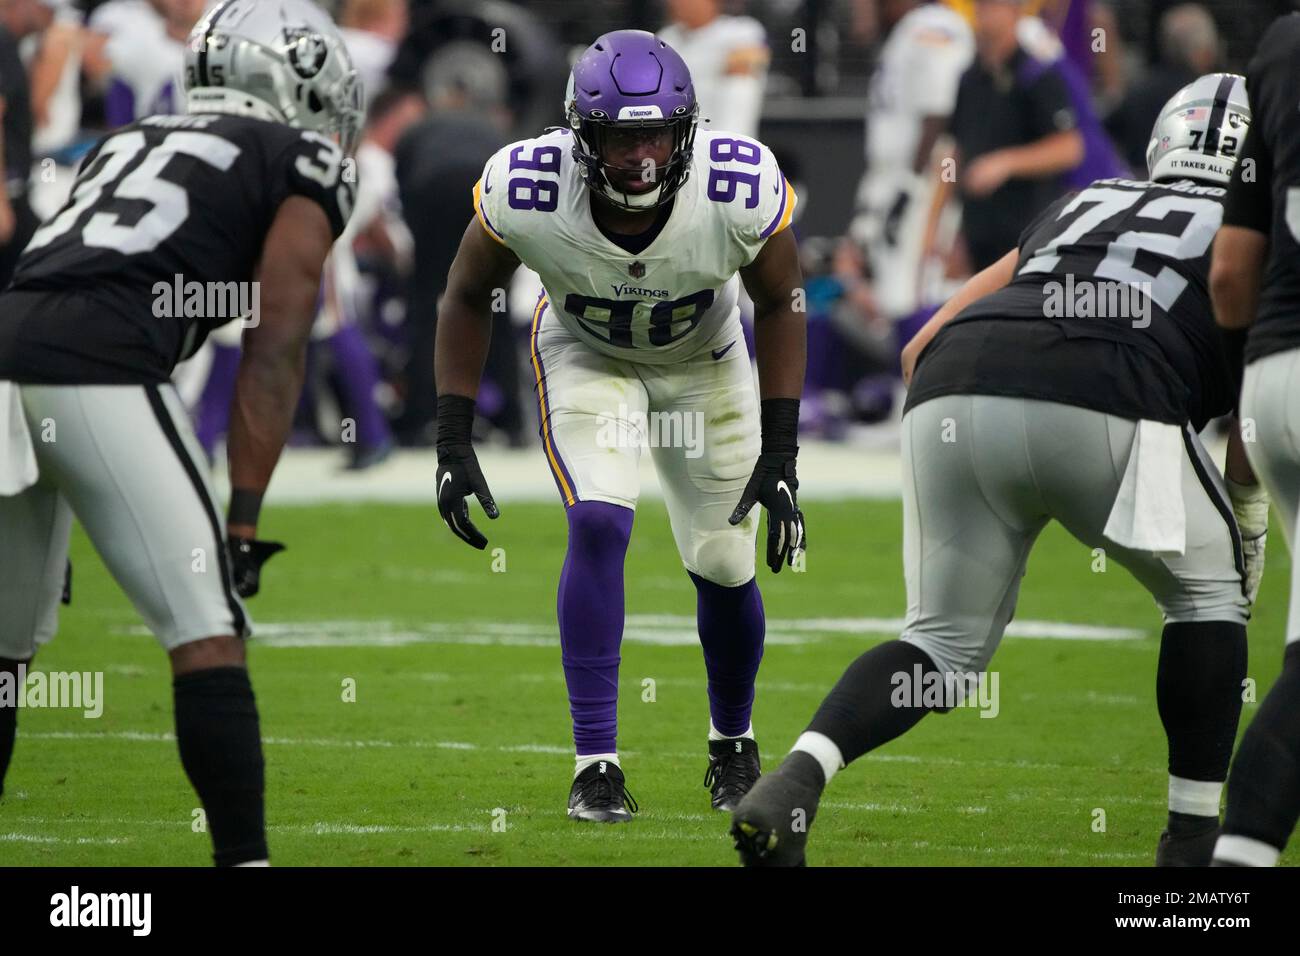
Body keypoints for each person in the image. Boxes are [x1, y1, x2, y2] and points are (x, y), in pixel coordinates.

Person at [732, 74, 1258, 867]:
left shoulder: (1087, 201)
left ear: (1163, 141)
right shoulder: (1260, 231)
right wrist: (1245, 514)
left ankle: (798, 777)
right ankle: (1191, 841)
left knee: (938, 648)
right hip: (1109, 388)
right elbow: (1255, 394)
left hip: (956, 382)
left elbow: (919, 345)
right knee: (1210, 595)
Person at [0, 0, 361, 866]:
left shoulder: (130, 139)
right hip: (104, 367)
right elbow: (275, 348)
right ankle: (245, 862)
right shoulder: (302, 156)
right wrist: (242, 520)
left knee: (4, 651)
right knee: (207, 629)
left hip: (8, 347)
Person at [434, 30, 807, 821]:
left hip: (706, 359)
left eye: (655, 133)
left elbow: (782, 300)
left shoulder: (733, 185)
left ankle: (732, 747)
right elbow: (465, 293)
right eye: (619, 135)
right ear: (581, 137)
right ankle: (595, 764)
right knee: (600, 522)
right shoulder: (529, 186)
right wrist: (451, 434)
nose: (640, 154)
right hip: (584, 353)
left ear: (686, 131)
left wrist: (781, 447)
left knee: (725, 562)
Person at [1207, 12, 1300, 868]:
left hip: (1273, 379)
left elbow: (1232, 268)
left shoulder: (1279, 50)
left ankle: (1226, 875)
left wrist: (1245, 396)